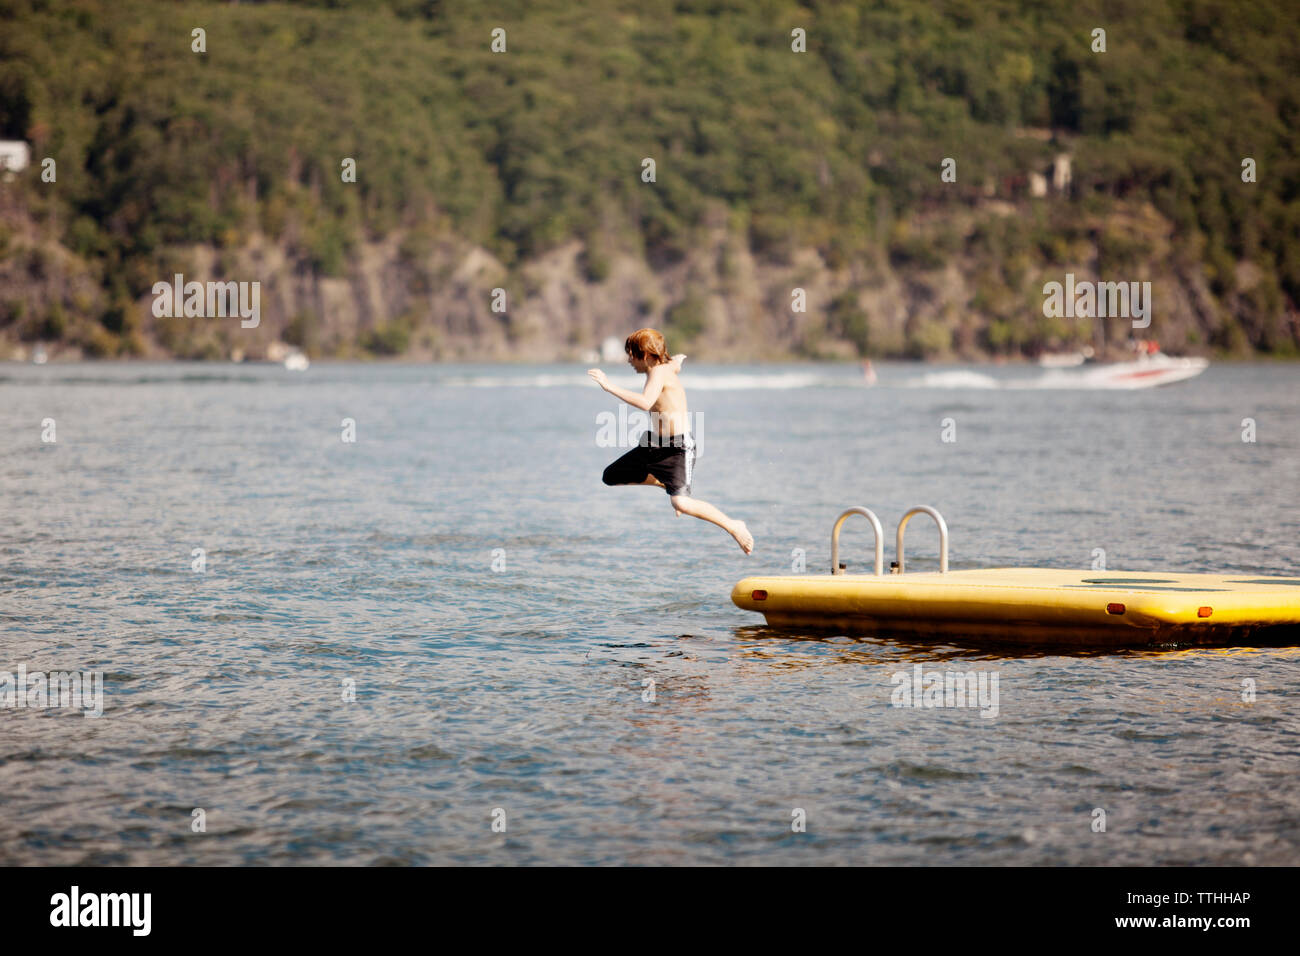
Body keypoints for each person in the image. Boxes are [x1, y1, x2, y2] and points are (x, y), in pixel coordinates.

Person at [589, 329, 753, 554]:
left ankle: (733, 526)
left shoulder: (658, 372)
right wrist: (678, 362)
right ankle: (664, 483)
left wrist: (609, 386)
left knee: (681, 504)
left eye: (631, 355)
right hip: (653, 445)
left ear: (645, 355)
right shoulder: (663, 368)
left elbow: (646, 402)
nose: (628, 360)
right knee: (611, 476)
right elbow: (673, 366)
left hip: (677, 449)